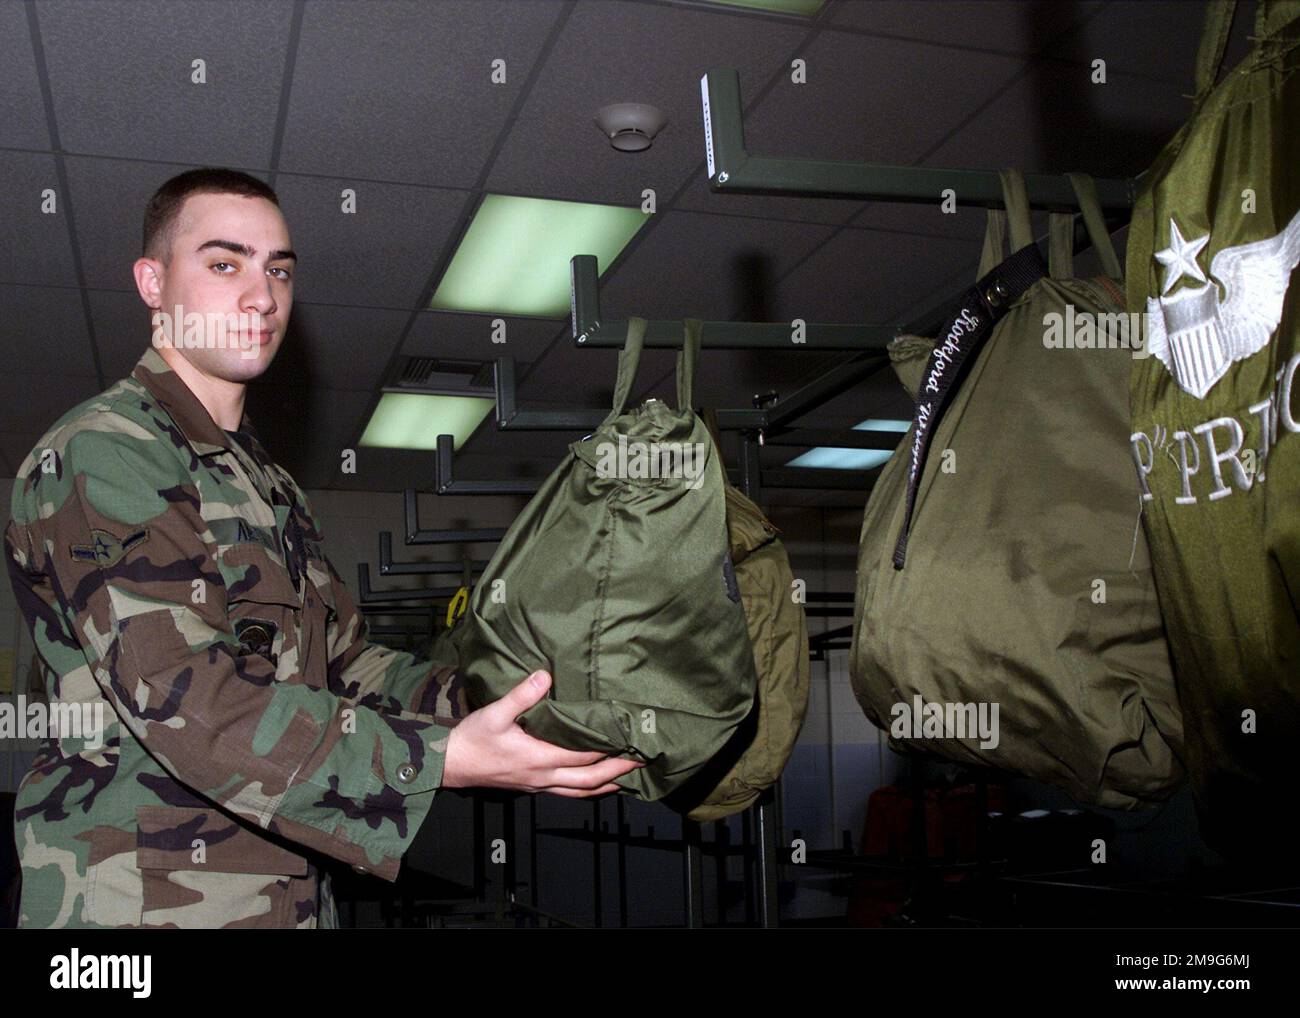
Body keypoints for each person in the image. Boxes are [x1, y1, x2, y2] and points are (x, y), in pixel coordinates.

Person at [3, 167, 642, 929]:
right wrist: (439, 758)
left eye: (278, 269)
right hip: (137, 911)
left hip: (288, 899)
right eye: (223, 263)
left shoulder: (269, 484)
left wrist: (510, 701)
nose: (261, 294)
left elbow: (348, 667)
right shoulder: (106, 451)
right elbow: (187, 698)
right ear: (152, 282)